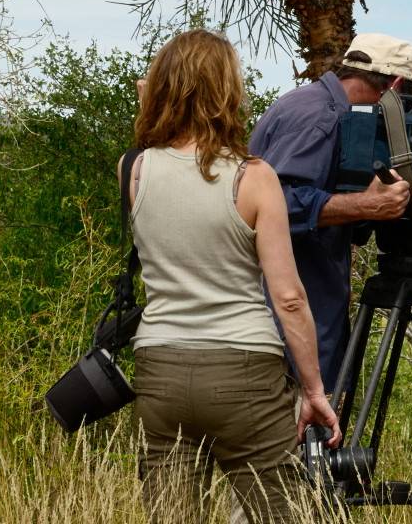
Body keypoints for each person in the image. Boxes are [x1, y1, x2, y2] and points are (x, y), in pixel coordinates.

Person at [125, 29, 342, 523]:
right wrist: (313, 392)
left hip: (160, 368)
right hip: (244, 370)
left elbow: (157, 155)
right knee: (284, 513)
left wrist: (149, 104)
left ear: (158, 88)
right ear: (228, 91)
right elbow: (288, 298)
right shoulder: (253, 177)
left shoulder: (133, 169)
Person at [248, 33, 412, 391]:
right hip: (289, 314)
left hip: (293, 301)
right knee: (295, 431)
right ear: (396, 85)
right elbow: (274, 203)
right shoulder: (319, 117)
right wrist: (366, 205)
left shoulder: (308, 103)